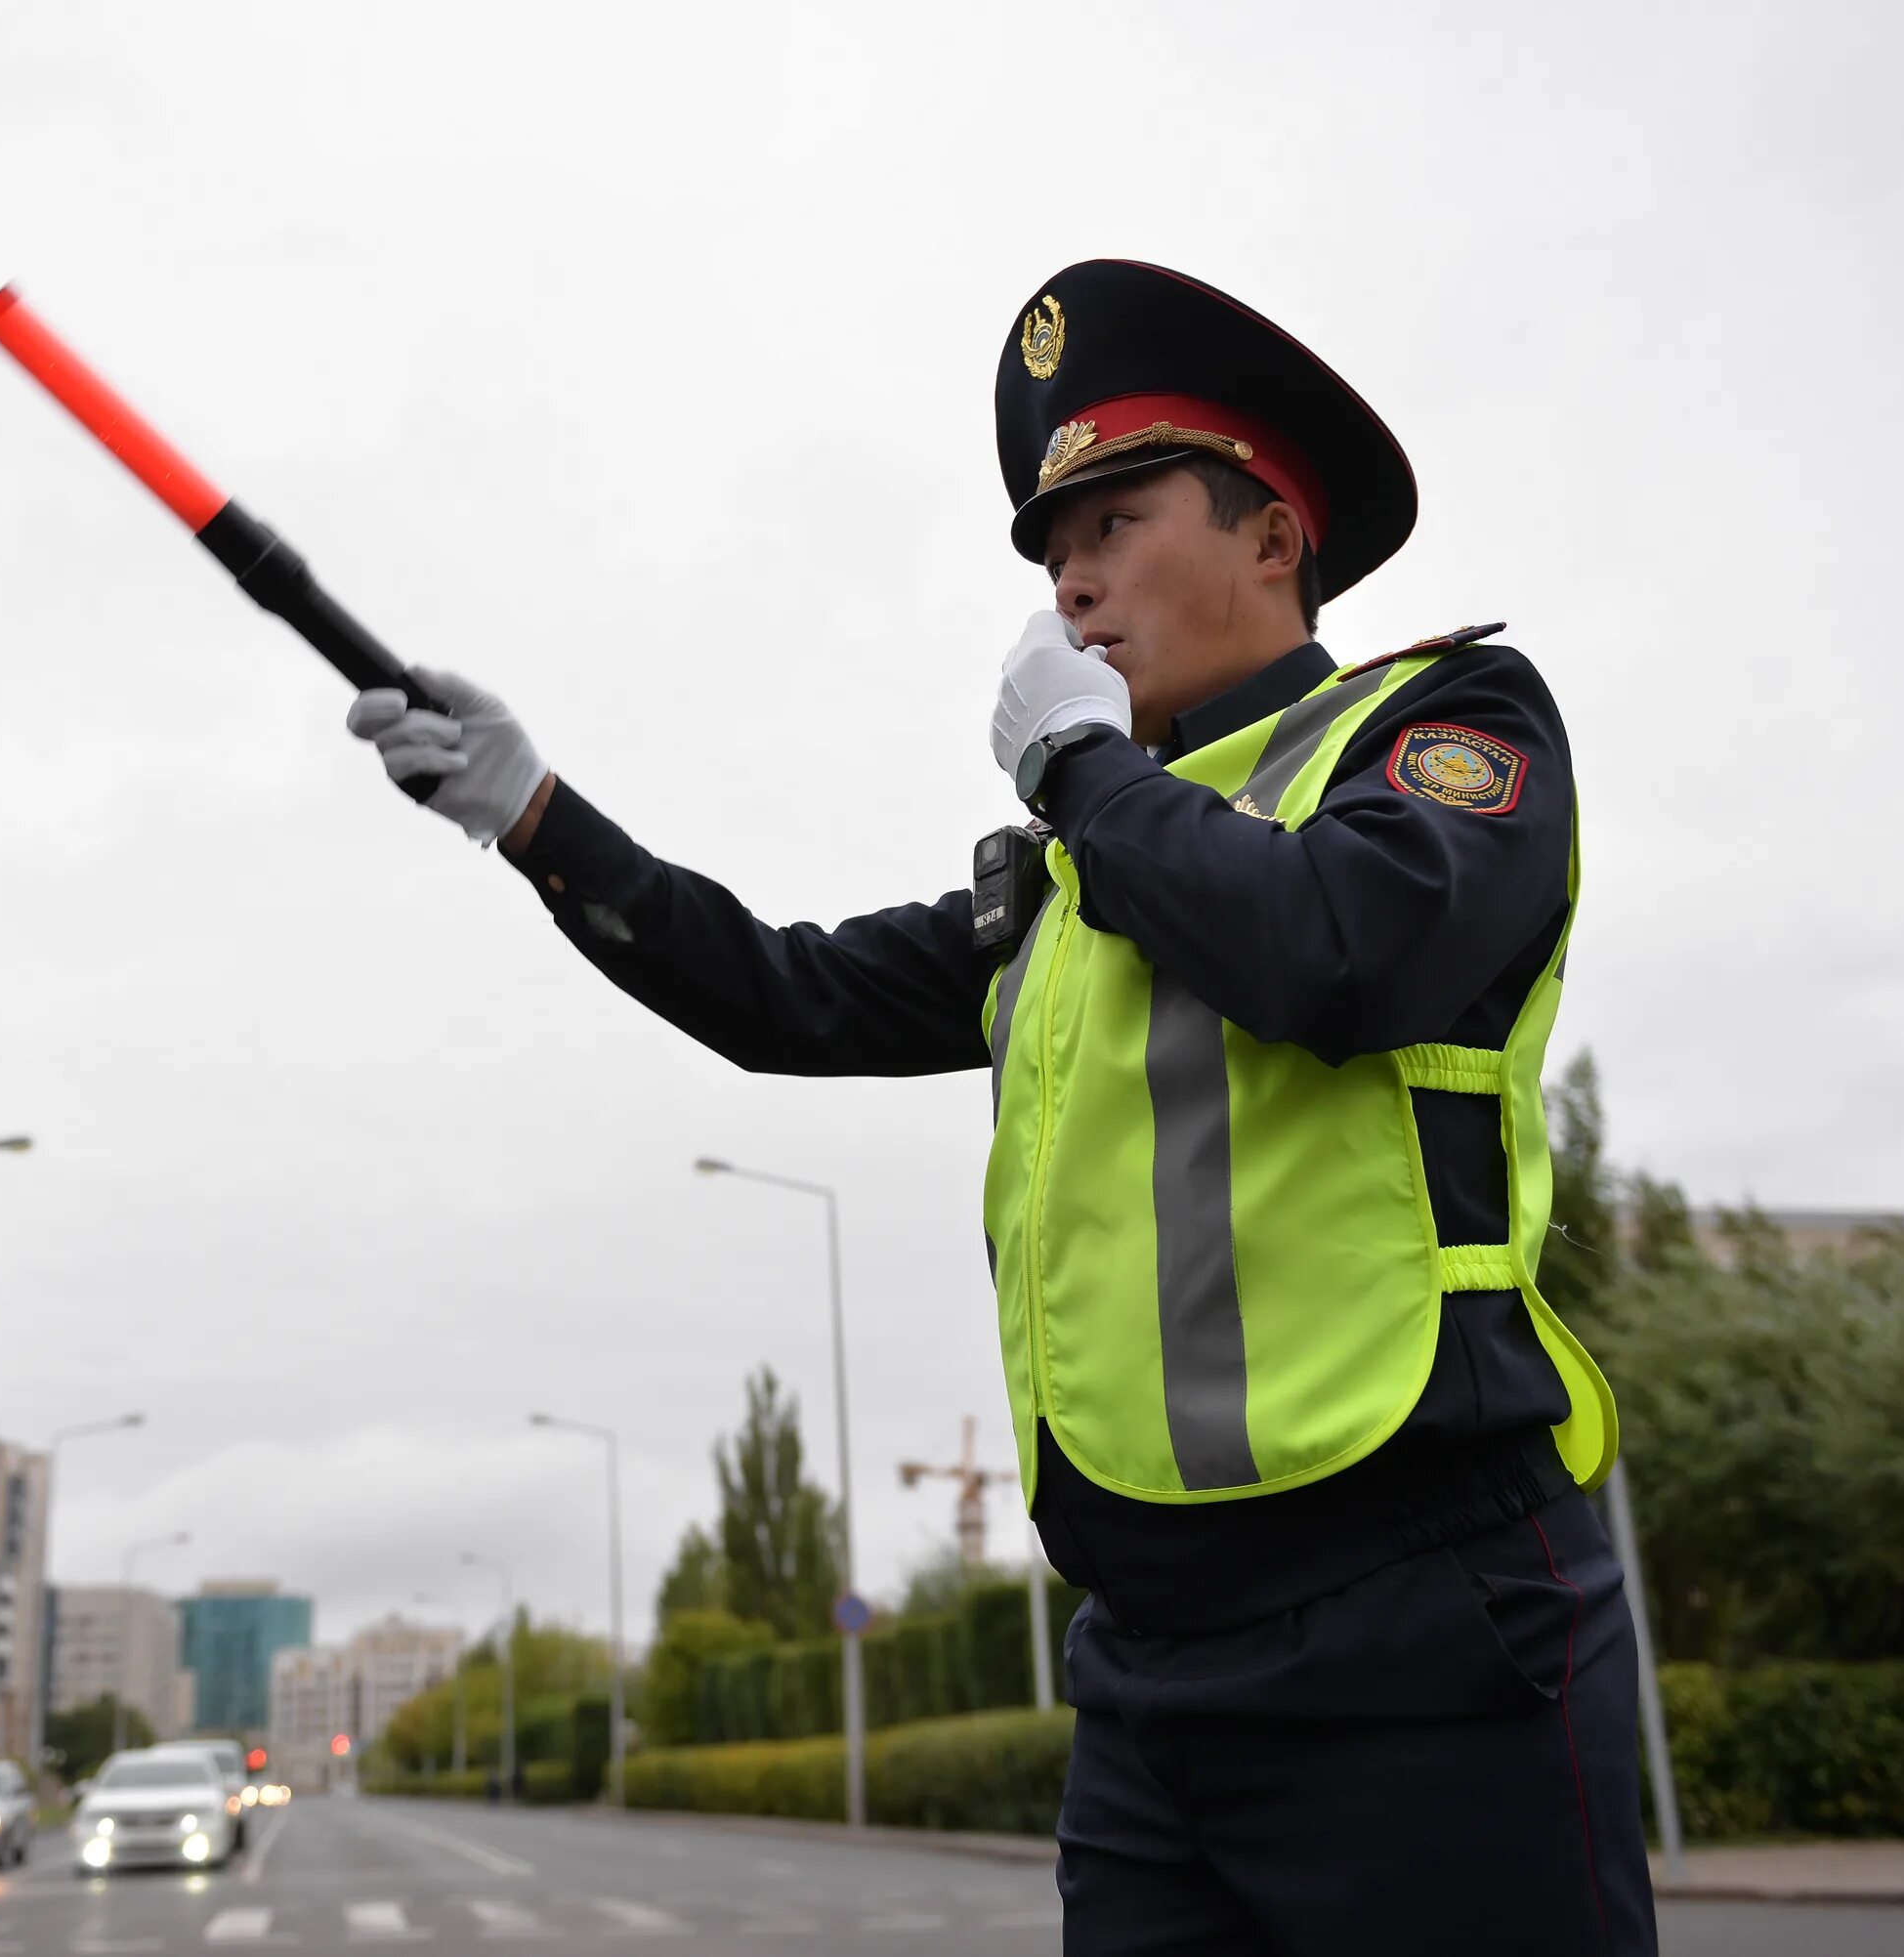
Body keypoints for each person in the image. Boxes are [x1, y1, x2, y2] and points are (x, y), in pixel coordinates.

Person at [348, 259, 1655, 1956]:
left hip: (1420, 1621)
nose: (1071, 582)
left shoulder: (1442, 726)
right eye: (1052, 549)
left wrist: (1083, 770)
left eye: (1113, 521)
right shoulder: (1062, 881)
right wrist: (534, 814)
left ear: (1274, 537)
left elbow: (1337, 952)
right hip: (1144, 1668)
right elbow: (778, 995)